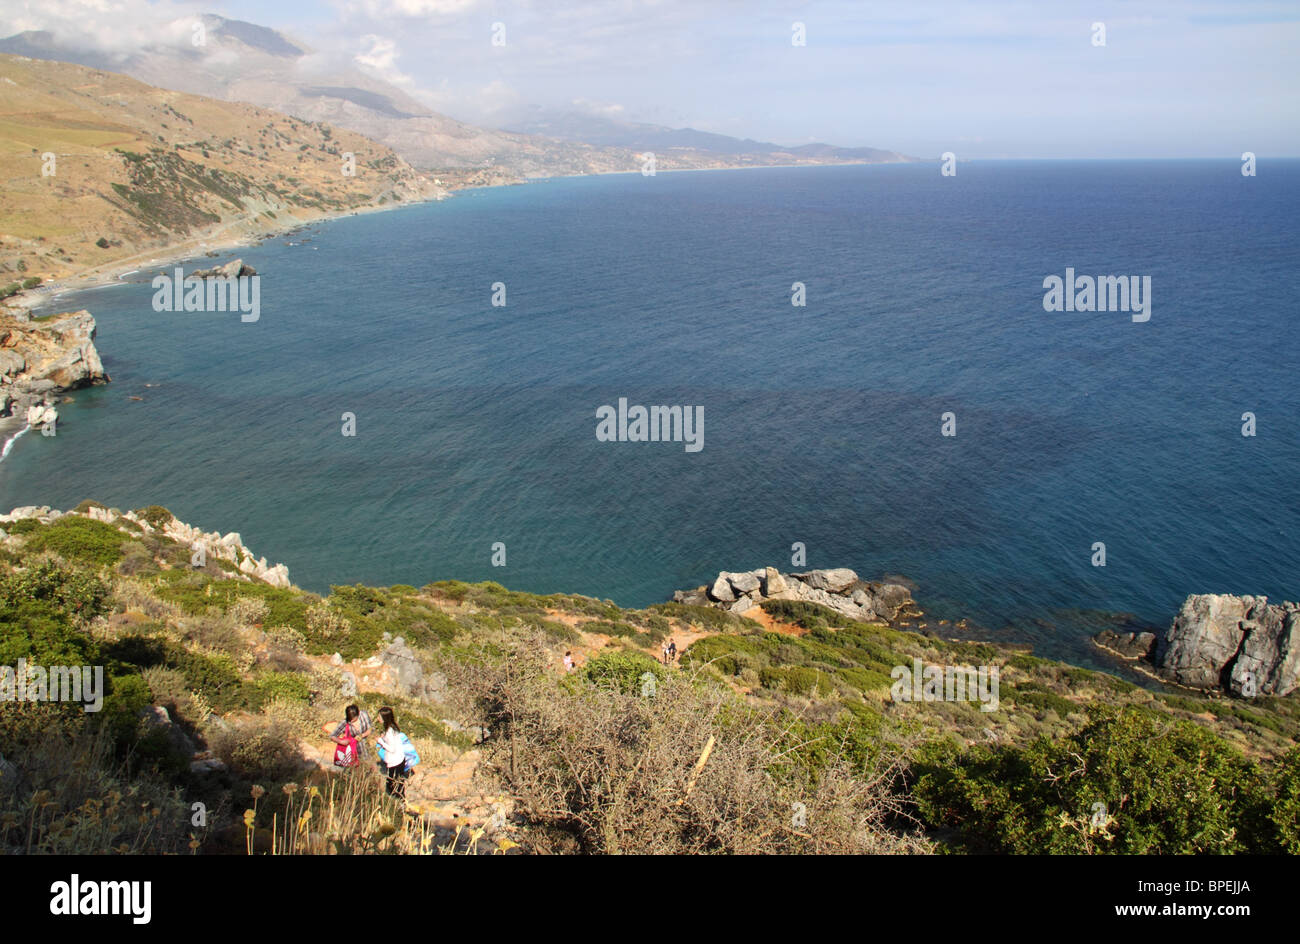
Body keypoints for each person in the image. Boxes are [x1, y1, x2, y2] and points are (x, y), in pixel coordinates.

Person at [375, 706, 410, 799]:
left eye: (379, 716)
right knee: (399, 785)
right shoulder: (393, 727)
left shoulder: (389, 731)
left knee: (392, 786)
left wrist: (380, 741)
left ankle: (399, 803)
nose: (377, 718)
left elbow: (391, 749)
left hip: (395, 762)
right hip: (399, 759)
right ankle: (402, 801)